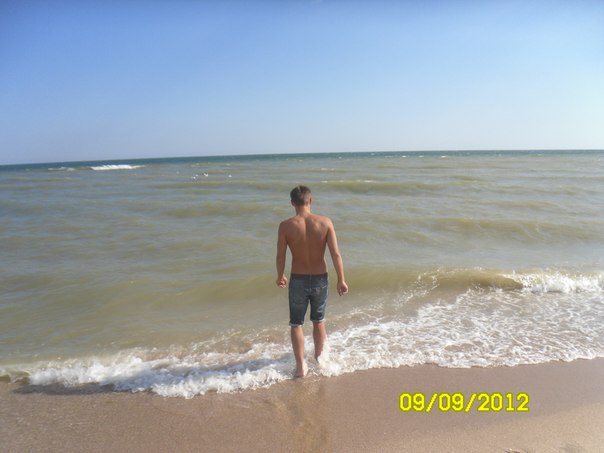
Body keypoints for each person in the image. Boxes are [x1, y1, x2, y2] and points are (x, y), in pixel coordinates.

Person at [276, 185, 348, 378]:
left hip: (298, 279)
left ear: (292, 203)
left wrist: (280, 275)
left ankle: (301, 367)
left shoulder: (286, 226)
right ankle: (320, 361)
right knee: (318, 321)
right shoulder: (325, 222)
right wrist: (341, 279)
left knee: (296, 324)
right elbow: (335, 254)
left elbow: (281, 255)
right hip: (320, 279)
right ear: (310, 200)